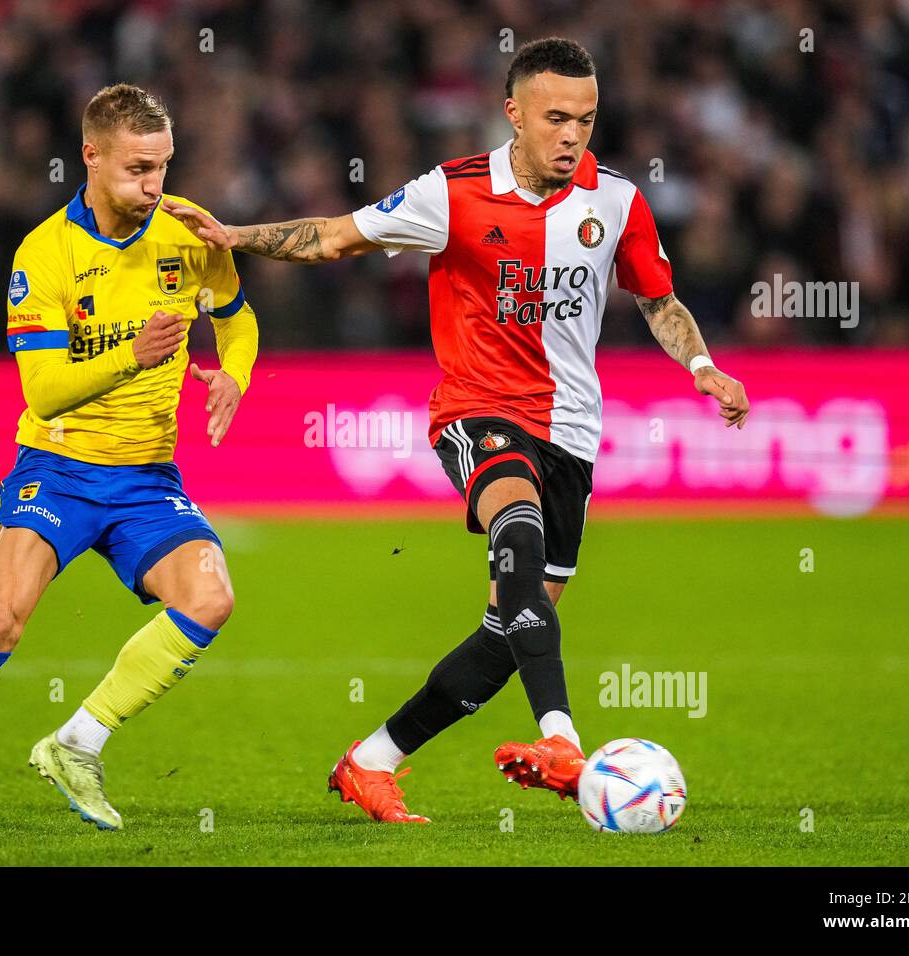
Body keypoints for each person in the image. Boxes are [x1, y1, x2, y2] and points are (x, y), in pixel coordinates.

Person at [164, 38, 748, 822]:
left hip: (573, 434)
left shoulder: (616, 201)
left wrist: (703, 365)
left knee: (509, 630)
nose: (572, 135)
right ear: (514, 113)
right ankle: (562, 740)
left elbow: (657, 299)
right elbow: (338, 235)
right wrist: (238, 238)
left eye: (585, 118)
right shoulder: (452, 193)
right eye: (555, 118)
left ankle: (370, 761)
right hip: (479, 410)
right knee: (518, 526)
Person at [0, 84, 258, 833]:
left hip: (148, 476)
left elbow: (237, 317)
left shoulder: (189, 233)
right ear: (91, 156)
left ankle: (76, 741)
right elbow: (45, 390)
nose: (155, 186)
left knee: (212, 596)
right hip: (56, 469)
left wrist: (233, 374)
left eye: (163, 166)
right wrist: (133, 355)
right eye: (136, 169)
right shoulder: (45, 253)